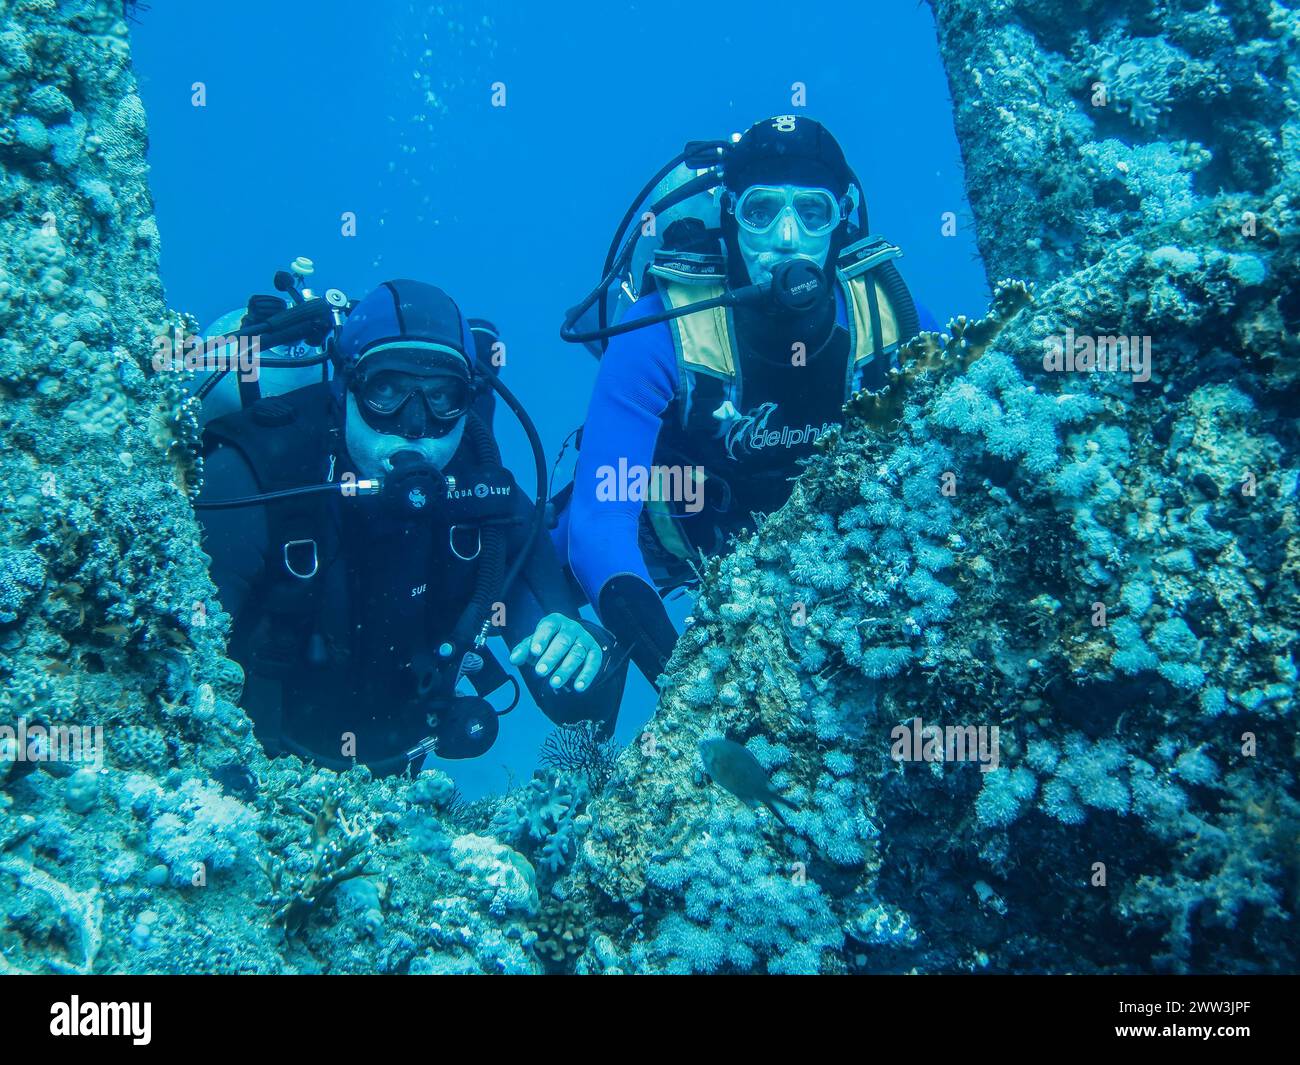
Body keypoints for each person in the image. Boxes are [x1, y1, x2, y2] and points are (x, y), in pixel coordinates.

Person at [554, 115, 940, 684]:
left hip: (833, 548)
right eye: (762, 212)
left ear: (843, 219)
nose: (787, 238)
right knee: (545, 557)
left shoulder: (892, 318)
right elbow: (599, 523)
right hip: (679, 537)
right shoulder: (660, 330)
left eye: (812, 213)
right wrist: (680, 679)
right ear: (730, 215)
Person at [197, 279, 626, 774]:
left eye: (442, 398)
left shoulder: (485, 500)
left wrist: (581, 651)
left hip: (398, 778)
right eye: (387, 391)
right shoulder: (252, 477)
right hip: (249, 776)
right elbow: (177, 663)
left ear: (468, 403)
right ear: (347, 385)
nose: (415, 425)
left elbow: (575, 708)